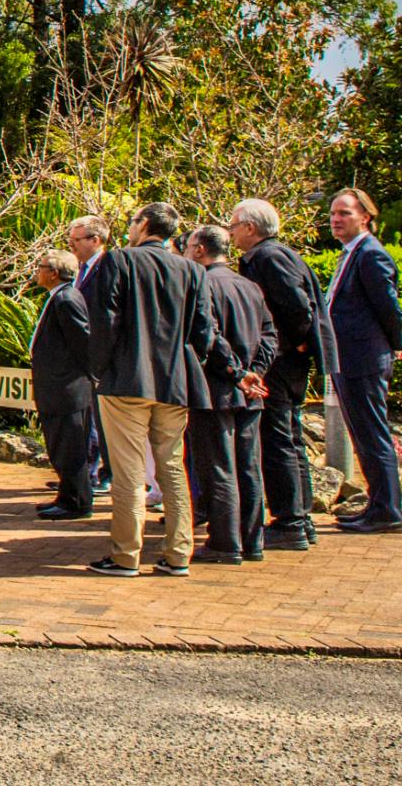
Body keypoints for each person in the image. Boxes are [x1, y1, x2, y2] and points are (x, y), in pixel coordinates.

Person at [80, 202, 233, 577]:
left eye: (133, 222)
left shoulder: (119, 261)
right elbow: (204, 331)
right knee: (172, 468)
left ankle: (124, 555)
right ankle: (179, 554)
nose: (130, 229)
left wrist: (98, 368)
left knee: (129, 471)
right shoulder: (192, 270)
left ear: (144, 224)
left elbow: (104, 319)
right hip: (175, 381)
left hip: (126, 380)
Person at [229, 198, 325, 550]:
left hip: (281, 363)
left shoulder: (269, 257)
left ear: (251, 228)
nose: (231, 232)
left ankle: (290, 522)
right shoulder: (271, 255)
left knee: (278, 439)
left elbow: (298, 306)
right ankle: (300, 519)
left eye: (235, 225)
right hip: (285, 360)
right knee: (289, 437)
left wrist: (297, 343)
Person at [181, 225, 276, 563]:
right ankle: (252, 541)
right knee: (248, 467)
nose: (185, 250)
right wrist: (256, 372)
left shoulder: (200, 283)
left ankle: (224, 542)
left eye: (189, 245)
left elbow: (209, 335)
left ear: (200, 250)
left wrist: (237, 373)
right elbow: (269, 334)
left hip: (216, 388)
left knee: (219, 466)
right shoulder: (249, 286)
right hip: (250, 390)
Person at [324, 187, 402, 535]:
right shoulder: (351, 253)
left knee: (372, 433)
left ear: (365, 217)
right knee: (362, 434)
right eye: (332, 213)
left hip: (364, 358)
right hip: (348, 358)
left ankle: (387, 510)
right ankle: (377, 505)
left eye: (344, 213)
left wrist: (396, 342)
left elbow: (388, 307)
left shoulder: (371, 254)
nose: (335, 219)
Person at [27, 248, 96, 520]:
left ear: (54, 273)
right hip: (57, 387)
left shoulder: (66, 299)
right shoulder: (58, 297)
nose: (38, 271)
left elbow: (83, 342)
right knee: (60, 446)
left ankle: (77, 502)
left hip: (67, 388)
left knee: (70, 447)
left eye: (41, 266)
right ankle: (66, 496)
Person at [64, 215, 114, 500]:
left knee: (103, 424)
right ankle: (90, 473)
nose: (71, 245)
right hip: (84, 363)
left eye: (76, 240)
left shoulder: (108, 268)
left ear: (95, 240)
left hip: (100, 360)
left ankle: (107, 474)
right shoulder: (81, 270)